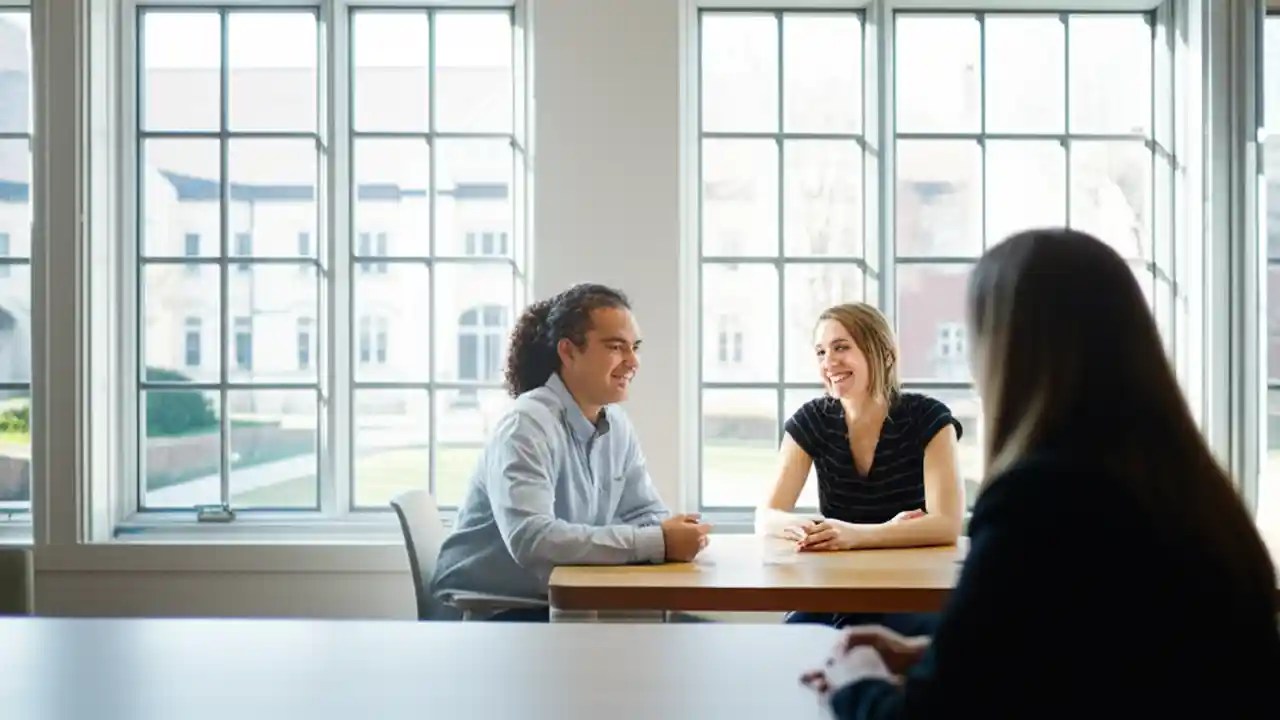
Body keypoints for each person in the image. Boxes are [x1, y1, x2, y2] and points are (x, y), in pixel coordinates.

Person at [802, 229, 1280, 717]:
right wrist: (925, 653)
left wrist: (855, 681)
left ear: (1014, 351)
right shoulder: (1192, 490)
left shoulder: (1037, 500)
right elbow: (1103, 652)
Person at [431, 283, 711, 621]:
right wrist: (656, 542)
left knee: (690, 634)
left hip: (568, 603)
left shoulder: (616, 425)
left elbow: (644, 512)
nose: (633, 361)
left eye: (634, 347)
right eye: (616, 347)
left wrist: (670, 534)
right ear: (568, 352)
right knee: (678, 645)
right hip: (502, 614)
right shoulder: (527, 424)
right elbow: (532, 541)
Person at [761, 302, 964, 636]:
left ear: (883, 353)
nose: (829, 362)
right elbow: (766, 515)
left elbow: (946, 524)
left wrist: (856, 534)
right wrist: (807, 528)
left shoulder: (929, 418)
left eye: (841, 347)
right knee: (793, 638)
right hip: (835, 587)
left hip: (911, 587)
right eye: (821, 352)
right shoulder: (811, 420)